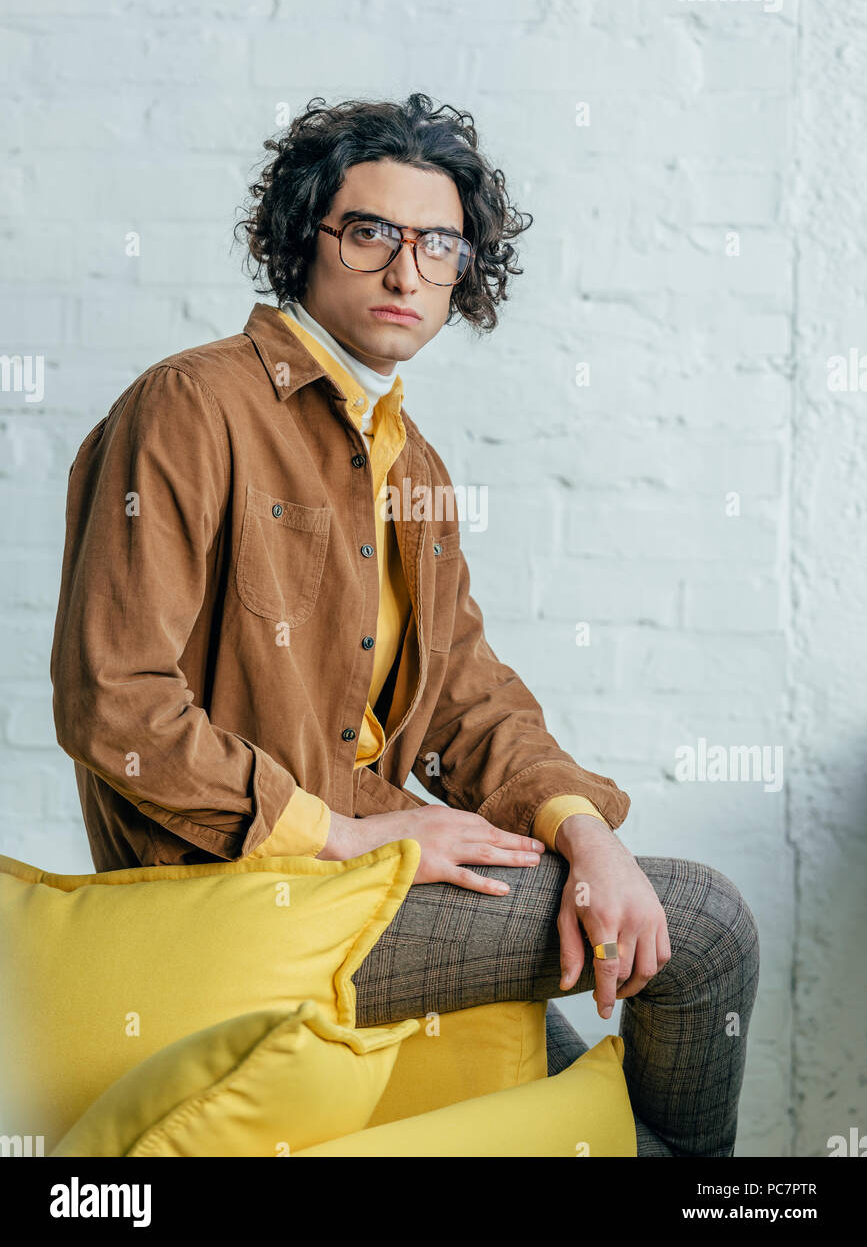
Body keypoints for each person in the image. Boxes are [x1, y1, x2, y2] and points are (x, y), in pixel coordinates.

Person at [50, 92, 759, 1157]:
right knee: (702, 924)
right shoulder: (190, 405)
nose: (406, 270)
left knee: (599, 1117)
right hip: (239, 893)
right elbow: (116, 703)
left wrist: (585, 831)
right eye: (371, 231)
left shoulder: (410, 463)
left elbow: (468, 697)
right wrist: (348, 834)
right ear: (305, 237)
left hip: (370, 878)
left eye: (439, 243)